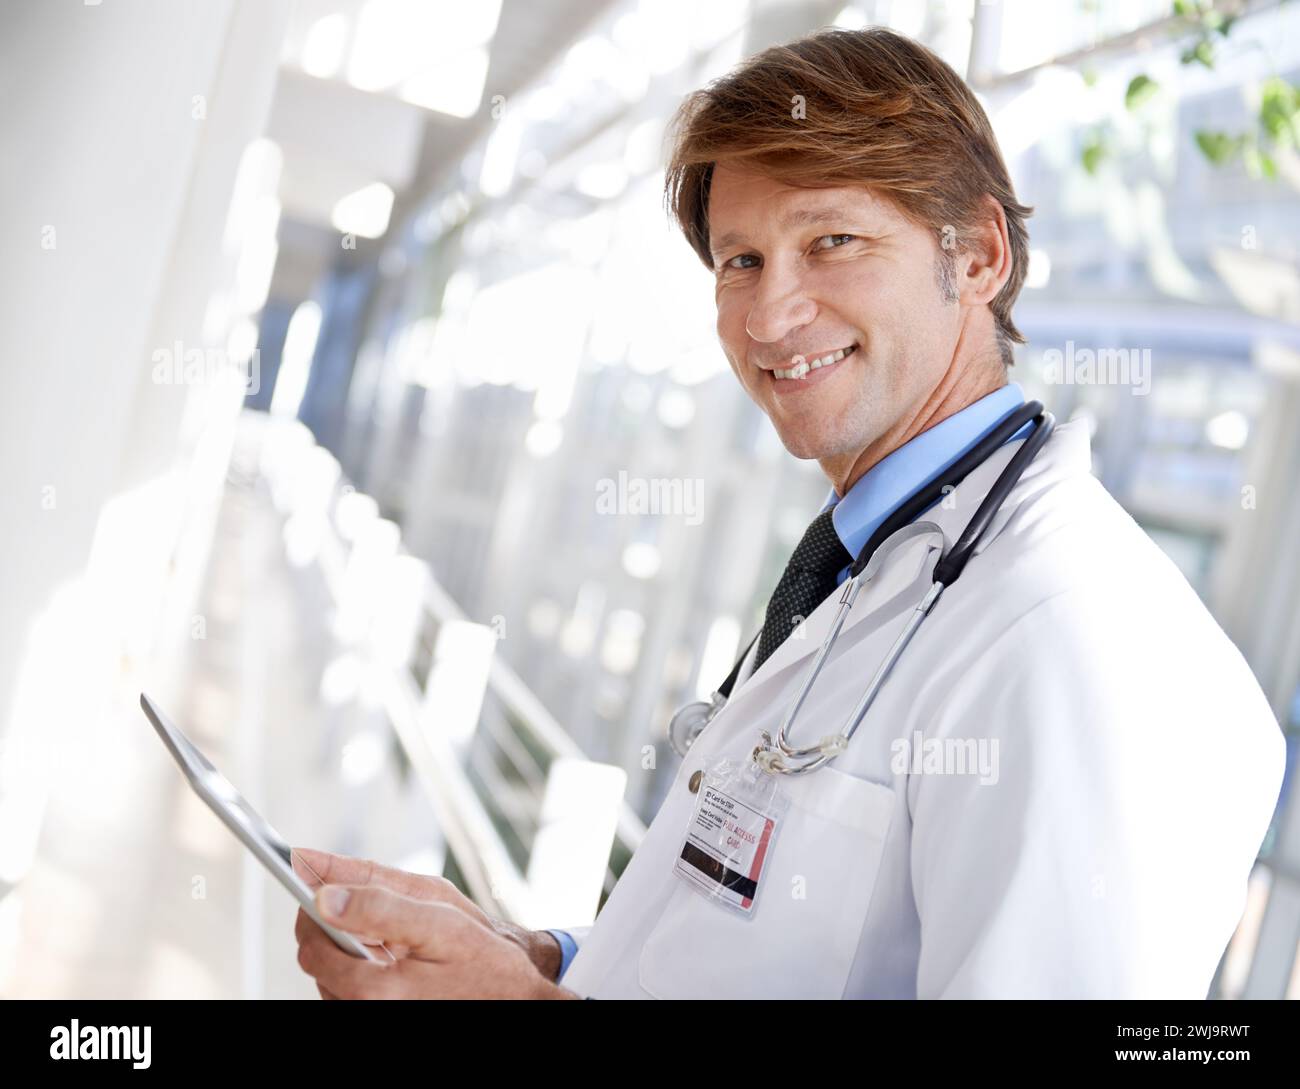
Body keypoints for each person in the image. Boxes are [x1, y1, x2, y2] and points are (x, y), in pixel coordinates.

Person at [291, 27, 1284, 1000]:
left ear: (977, 256)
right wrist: (541, 959)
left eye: (833, 241)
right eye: (741, 261)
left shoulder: (1079, 638)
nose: (769, 317)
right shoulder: (871, 560)